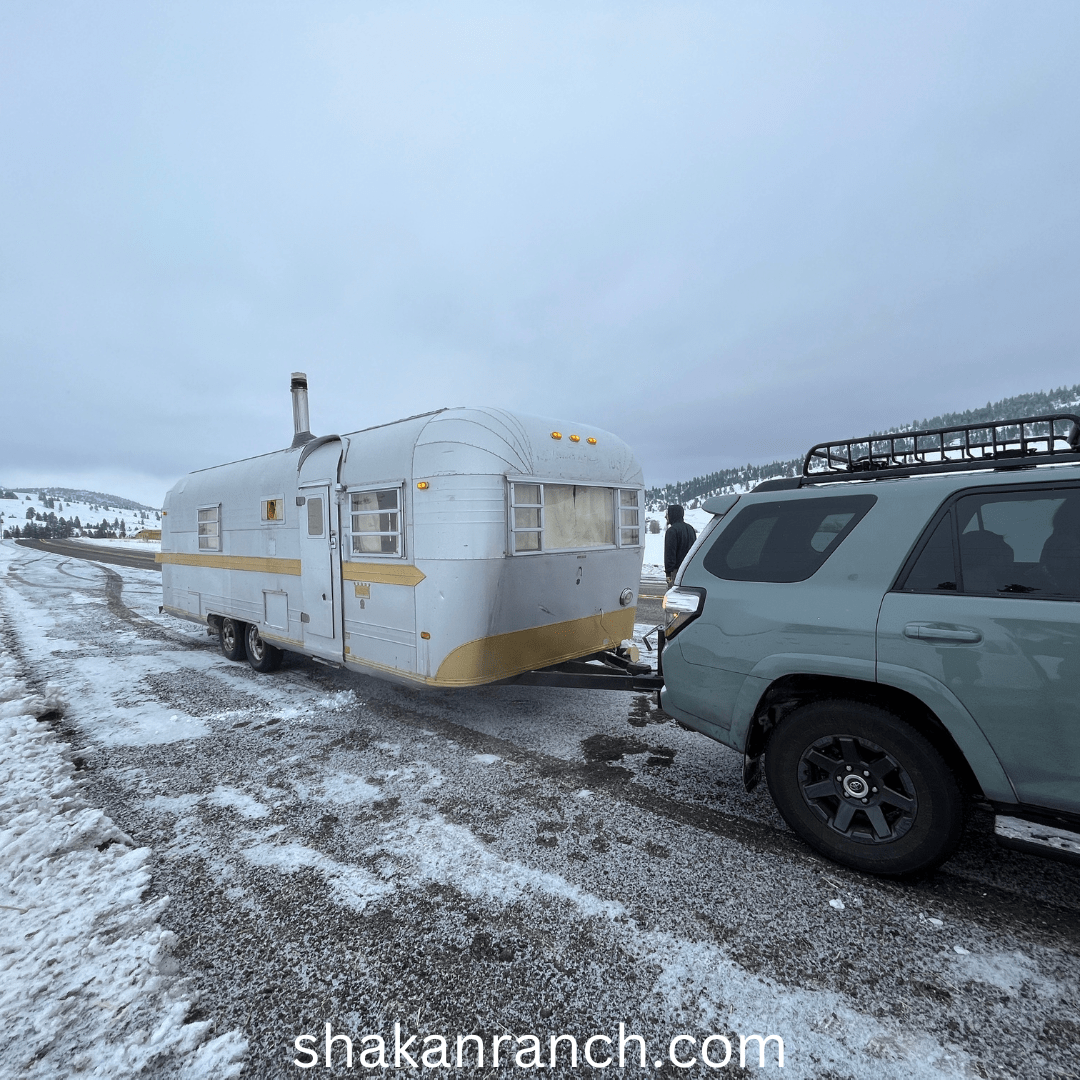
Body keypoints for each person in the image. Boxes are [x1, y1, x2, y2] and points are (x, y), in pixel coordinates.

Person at [664, 504, 697, 587]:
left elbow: (670, 554)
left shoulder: (672, 531)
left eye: (667, 514)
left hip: (676, 572)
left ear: (673, 514)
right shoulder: (690, 529)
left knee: (673, 592)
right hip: (689, 570)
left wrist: (668, 574)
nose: (665, 517)